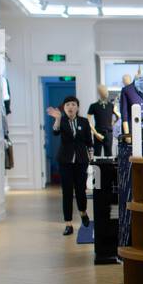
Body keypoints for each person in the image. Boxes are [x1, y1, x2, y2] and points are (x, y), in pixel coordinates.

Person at [47, 95, 93, 236]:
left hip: (81, 161)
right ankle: (68, 224)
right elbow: (55, 132)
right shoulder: (61, 121)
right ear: (64, 108)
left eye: (73, 104)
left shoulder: (84, 122)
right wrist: (58, 119)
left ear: (77, 107)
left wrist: (91, 156)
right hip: (65, 161)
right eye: (67, 105)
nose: (70, 107)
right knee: (67, 192)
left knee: (80, 190)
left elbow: (89, 141)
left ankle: (83, 212)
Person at [87, 84, 115, 157]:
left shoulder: (111, 105)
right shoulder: (93, 106)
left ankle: (108, 168)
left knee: (109, 154)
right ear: (99, 93)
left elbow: (118, 116)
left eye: (106, 91)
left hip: (108, 133)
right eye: (103, 91)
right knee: (97, 154)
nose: (106, 93)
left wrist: (112, 123)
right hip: (98, 132)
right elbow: (88, 121)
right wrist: (96, 133)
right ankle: (97, 168)